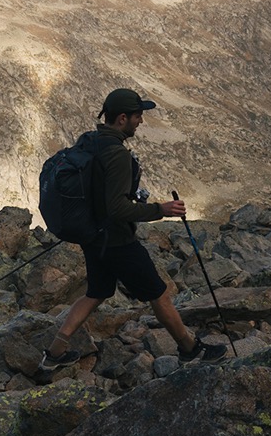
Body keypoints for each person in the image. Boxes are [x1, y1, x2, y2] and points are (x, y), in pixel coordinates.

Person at [40, 88, 227, 371]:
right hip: (116, 241)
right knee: (159, 293)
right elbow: (117, 208)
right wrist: (159, 211)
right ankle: (190, 349)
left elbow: (99, 194)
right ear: (123, 118)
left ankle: (54, 353)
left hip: (93, 237)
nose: (141, 121)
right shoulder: (117, 155)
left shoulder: (92, 141)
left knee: (96, 292)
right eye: (138, 116)